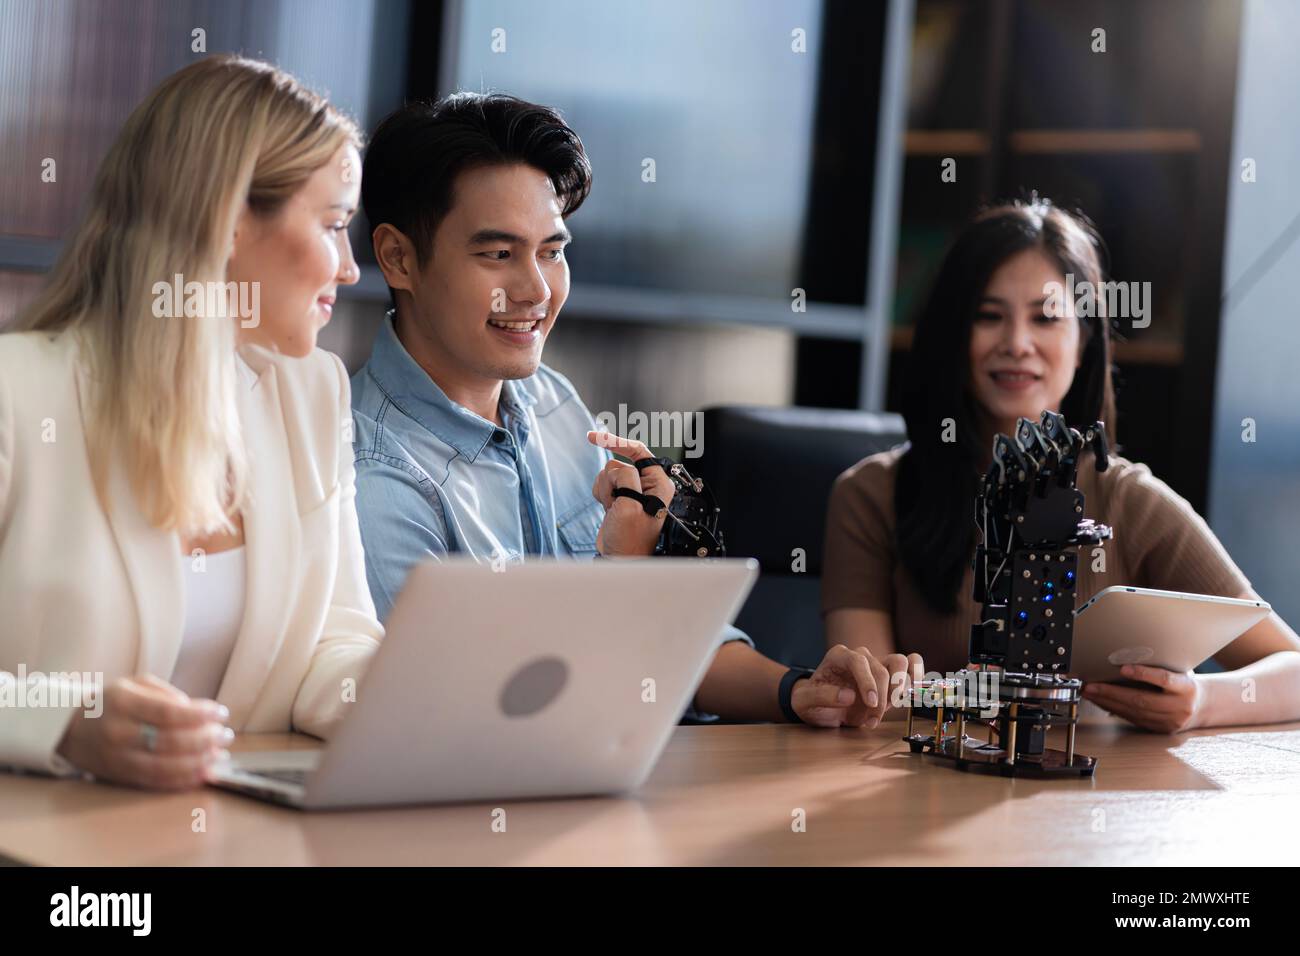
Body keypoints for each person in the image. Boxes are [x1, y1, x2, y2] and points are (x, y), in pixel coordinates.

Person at [351, 92, 913, 727]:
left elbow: (664, 647)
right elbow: (487, 719)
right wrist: (618, 575)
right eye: (499, 254)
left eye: (553, 250)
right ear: (399, 258)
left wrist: (798, 689)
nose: (537, 290)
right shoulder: (373, 477)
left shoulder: (552, 402)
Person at [0, 55, 381, 789]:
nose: (348, 267)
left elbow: (334, 637)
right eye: (333, 226)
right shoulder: (19, 394)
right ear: (232, 222)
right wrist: (62, 721)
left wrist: (415, 694)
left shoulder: (309, 394)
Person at [821, 198, 1300, 733]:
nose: (1017, 344)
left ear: (1084, 341)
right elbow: (866, 704)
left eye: (1046, 317)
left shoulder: (1130, 500)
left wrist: (1202, 701)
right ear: (952, 334)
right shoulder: (871, 494)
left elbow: (1292, 669)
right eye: (988, 316)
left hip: (1093, 802)